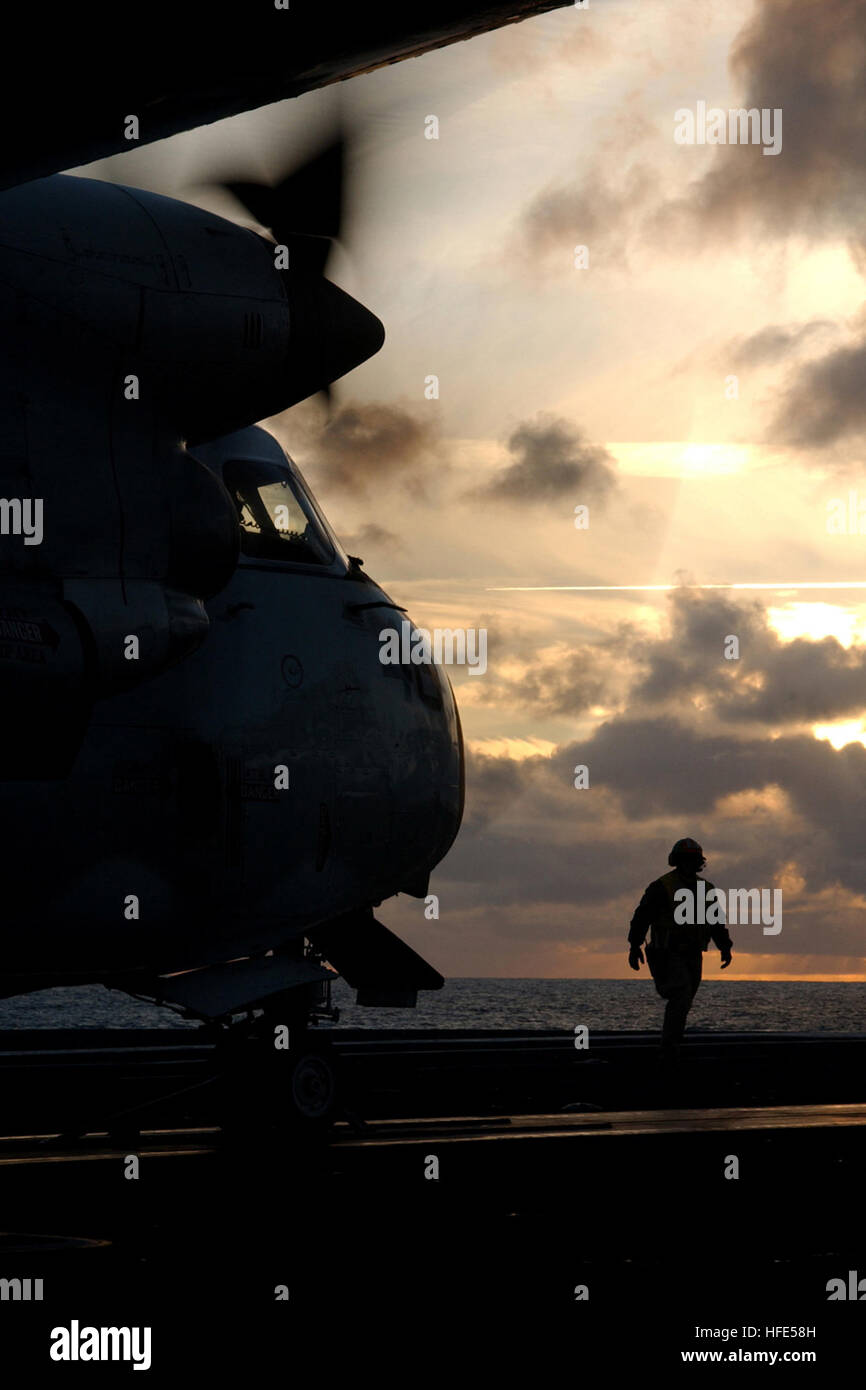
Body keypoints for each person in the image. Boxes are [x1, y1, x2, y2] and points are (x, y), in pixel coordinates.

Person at [627, 838, 732, 1058]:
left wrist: (725, 947)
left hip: (693, 953)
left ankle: (673, 1040)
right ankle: (669, 1046)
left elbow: (715, 922)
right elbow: (642, 917)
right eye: (687, 859)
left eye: (694, 859)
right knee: (681, 993)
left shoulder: (707, 889)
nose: (691, 863)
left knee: (685, 998)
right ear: (677, 861)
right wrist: (635, 945)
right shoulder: (661, 887)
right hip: (667, 952)